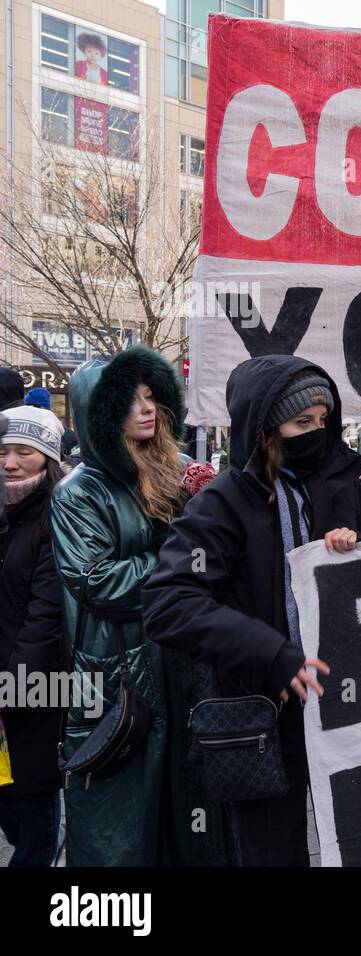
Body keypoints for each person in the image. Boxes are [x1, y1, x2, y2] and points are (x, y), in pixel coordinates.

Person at [142, 357, 361, 866]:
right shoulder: (222, 504)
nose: (316, 433)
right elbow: (169, 602)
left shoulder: (345, 485)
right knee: (271, 853)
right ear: (263, 428)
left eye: (323, 421)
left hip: (353, 705)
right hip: (260, 712)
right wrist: (273, 654)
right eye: (302, 423)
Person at [50, 348, 187, 866]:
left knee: (172, 817)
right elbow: (98, 583)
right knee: (113, 827)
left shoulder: (169, 475)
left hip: (169, 661)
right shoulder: (78, 493)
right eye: (129, 402)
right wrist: (179, 556)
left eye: (152, 396)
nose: (145, 409)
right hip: (110, 677)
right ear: (100, 414)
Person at [0, 407, 67, 866]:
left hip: (33, 688)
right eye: (3, 451)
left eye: (24, 452)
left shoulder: (55, 516)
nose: (10, 462)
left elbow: (47, 617)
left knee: (33, 808)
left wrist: (11, 687)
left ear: (47, 459)